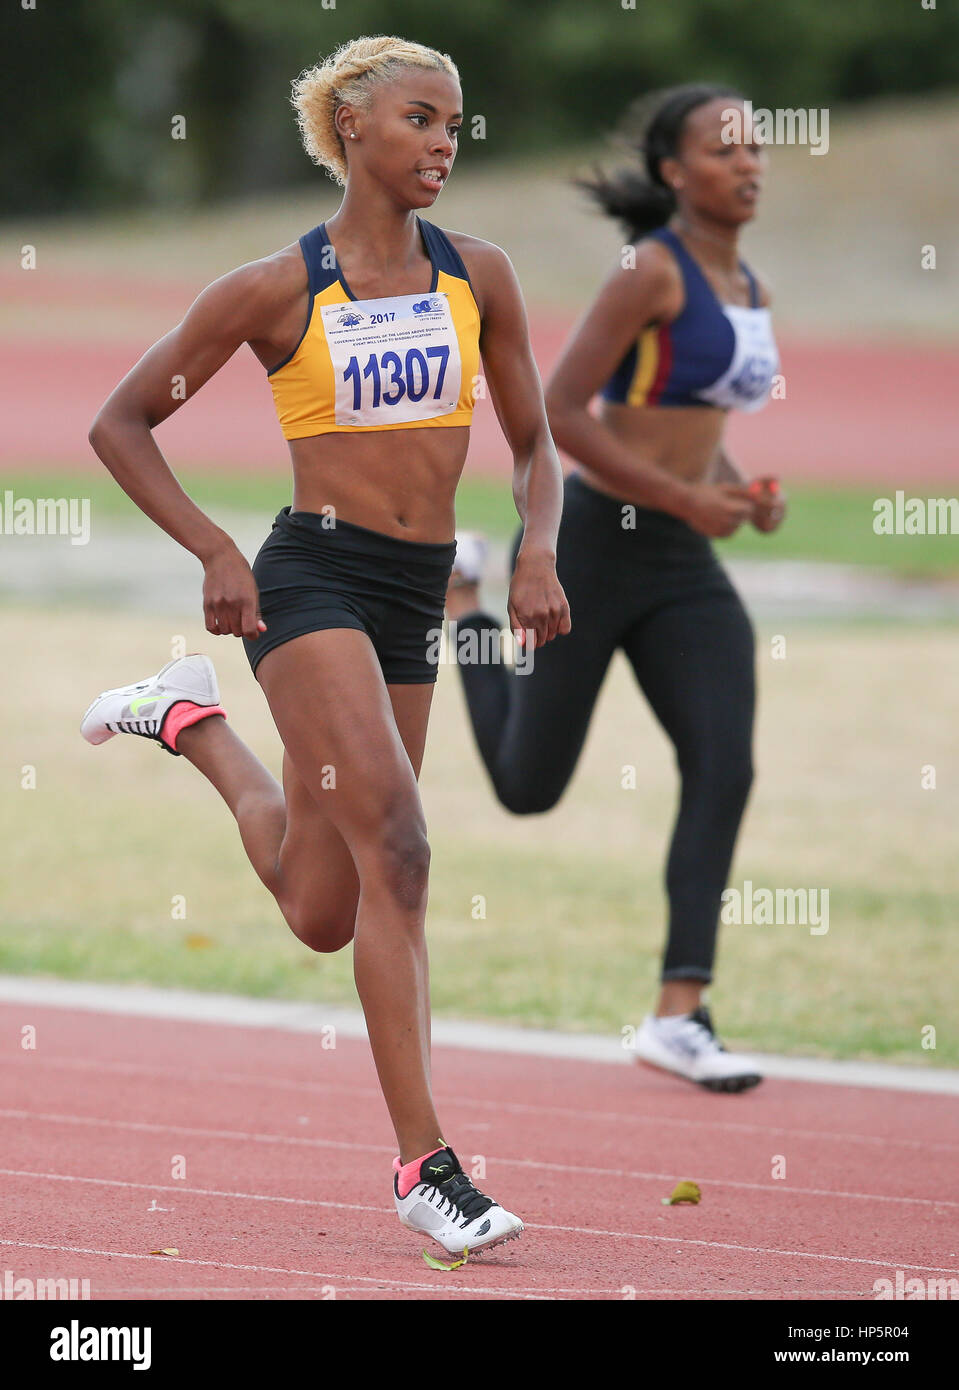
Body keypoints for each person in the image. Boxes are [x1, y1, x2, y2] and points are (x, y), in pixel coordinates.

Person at [81, 34, 569, 1255]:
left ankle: (183, 721)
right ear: (352, 123)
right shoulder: (274, 289)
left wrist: (537, 547)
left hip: (411, 595)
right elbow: (121, 421)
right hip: (309, 581)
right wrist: (214, 550)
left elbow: (531, 442)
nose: (443, 144)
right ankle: (425, 1169)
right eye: (420, 119)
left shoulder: (482, 275)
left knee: (321, 904)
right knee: (398, 842)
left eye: (455, 125)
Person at [445, 84, 785, 1093]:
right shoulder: (647, 270)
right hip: (590, 546)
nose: (748, 164)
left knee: (723, 764)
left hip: (680, 563)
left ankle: (678, 1014)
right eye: (723, 151)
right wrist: (685, 492)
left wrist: (734, 492)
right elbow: (559, 413)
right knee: (526, 788)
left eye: (755, 148)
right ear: (675, 173)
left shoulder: (747, 287)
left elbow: (692, 425)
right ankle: (460, 604)